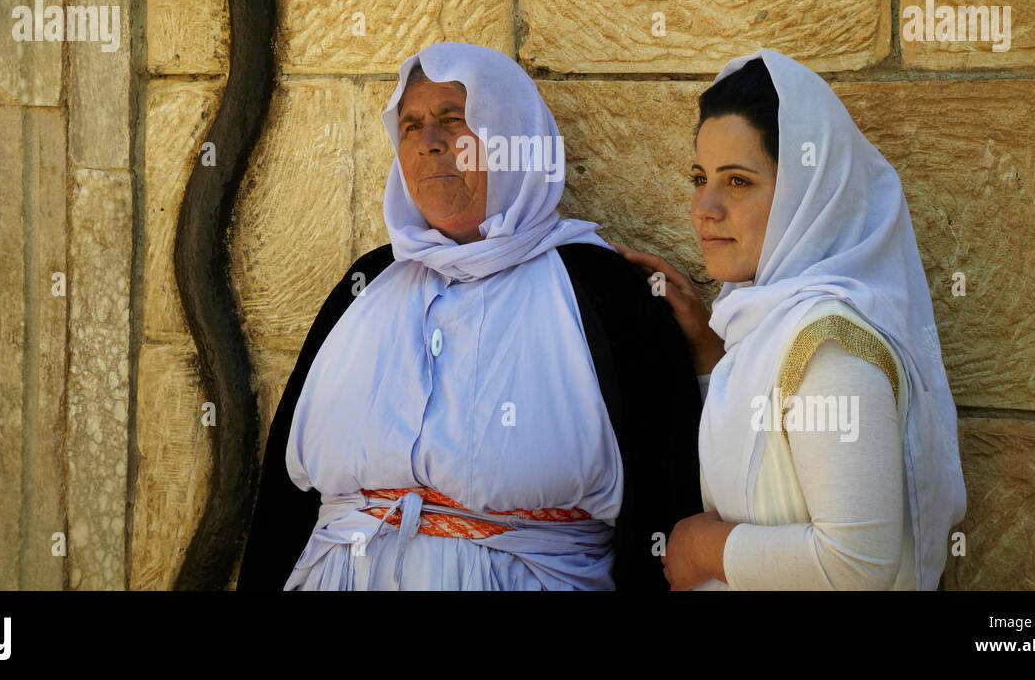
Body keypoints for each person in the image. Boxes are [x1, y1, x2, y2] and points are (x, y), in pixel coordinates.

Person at [236, 40, 703, 590]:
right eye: (410, 126)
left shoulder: (602, 291)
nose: (428, 144)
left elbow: (667, 489)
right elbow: (283, 509)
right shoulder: (366, 286)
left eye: (453, 120)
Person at [616, 48, 966, 590]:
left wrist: (706, 550)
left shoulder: (831, 348)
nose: (704, 207)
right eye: (699, 177)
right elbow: (769, 462)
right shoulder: (767, 327)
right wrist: (712, 355)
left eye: (737, 182)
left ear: (806, 196)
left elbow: (855, 566)